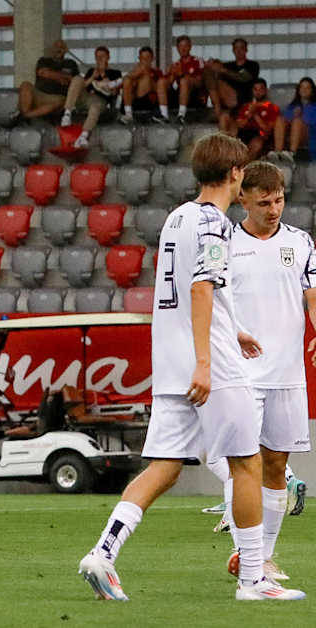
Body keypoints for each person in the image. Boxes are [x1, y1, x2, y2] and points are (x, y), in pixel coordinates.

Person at [76, 134, 304, 602]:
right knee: (247, 464)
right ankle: (253, 579)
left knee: (163, 467)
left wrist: (234, 328)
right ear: (235, 174)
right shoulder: (216, 224)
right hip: (211, 366)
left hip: (170, 362)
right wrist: (207, 359)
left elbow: (183, 288)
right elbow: (202, 287)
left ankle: (103, 553)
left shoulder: (177, 217)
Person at [211, 161, 314, 581]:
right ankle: (246, 555)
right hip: (241, 373)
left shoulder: (301, 242)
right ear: (243, 200)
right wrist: (230, 336)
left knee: (275, 466)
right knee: (243, 464)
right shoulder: (225, 243)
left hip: (287, 372)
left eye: (279, 201)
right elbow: (210, 300)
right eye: (265, 203)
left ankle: (264, 557)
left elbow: (313, 297)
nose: (274, 210)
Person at [62, 46, 121, 149]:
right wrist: (93, 77)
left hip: (100, 100)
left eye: (102, 56)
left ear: (108, 57)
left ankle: (84, 136)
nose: (99, 59)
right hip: (85, 98)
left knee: (95, 106)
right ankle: (67, 114)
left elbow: (114, 93)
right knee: (77, 78)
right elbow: (81, 86)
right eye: (97, 57)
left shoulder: (115, 73)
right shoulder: (91, 71)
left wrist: (104, 76)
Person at [18, 39, 79, 121]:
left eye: (62, 47)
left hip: (58, 98)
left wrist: (51, 74)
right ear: (52, 49)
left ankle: (26, 116)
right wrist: (62, 77)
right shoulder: (44, 60)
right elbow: (42, 72)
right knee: (25, 85)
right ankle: (25, 113)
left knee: (62, 101)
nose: (59, 49)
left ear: (65, 50)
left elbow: (76, 81)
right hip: (40, 95)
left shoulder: (71, 63)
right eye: (56, 47)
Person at [219, 78, 279, 161]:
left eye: (261, 89)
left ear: (266, 90)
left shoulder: (272, 108)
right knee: (226, 118)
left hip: (259, 134)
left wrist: (255, 114)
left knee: (257, 143)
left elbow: (267, 129)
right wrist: (249, 114)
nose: (258, 92)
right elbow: (240, 125)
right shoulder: (246, 106)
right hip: (243, 132)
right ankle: (222, 149)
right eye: (255, 89)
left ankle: (244, 165)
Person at [204, 38, 261, 119]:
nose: (238, 51)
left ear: (246, 50)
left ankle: (219, 108)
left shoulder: (253, 65)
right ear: (233, 50)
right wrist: (212, 65)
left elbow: (244, 78)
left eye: (241, 48)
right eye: (236, 48)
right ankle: (216, 105)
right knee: (209, 72)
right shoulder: (227, 65)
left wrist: (223, 70)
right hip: (225, 99)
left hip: (242, 99)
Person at [155, 34, 206, 123]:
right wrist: (172, 75)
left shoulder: (198, 61)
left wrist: (182, 74)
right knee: (161, 81)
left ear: (190, 47)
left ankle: (181, 115)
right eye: (180, 46)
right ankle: (164, 115)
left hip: (194, 96)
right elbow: (169, 83)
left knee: (184, 80)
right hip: (179, 95)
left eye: (185, 46)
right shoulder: (176, 64)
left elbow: (200, 82)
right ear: (177, 48)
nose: (183, 49)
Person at [272, 77, 315, 164]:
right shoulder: (292, 106)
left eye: (307, 88)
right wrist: (293, 116)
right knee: (280, 119)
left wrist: (301, 116)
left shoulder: (314, 106)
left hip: (308, 136)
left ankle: (292, 153)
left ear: (312, 91)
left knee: (297, 121)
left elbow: (312, 124)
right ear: (298, 90)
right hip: (290, 135)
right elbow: (285, 120)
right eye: (302, 87)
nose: (304, 90)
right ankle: (277, 152)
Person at [120, 46, 162, 124]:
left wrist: (146, 75)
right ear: (139, 59)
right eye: (142, 58)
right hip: (132, 103)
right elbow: (123, 85)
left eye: (147, 58)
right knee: (128, 80)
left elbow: (162, 90)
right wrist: (135, 75)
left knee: (145, 78)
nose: (145, 60)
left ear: (152, 58)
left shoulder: (157, 72)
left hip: (148, 103)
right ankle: (128, 114)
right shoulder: (133, 72)